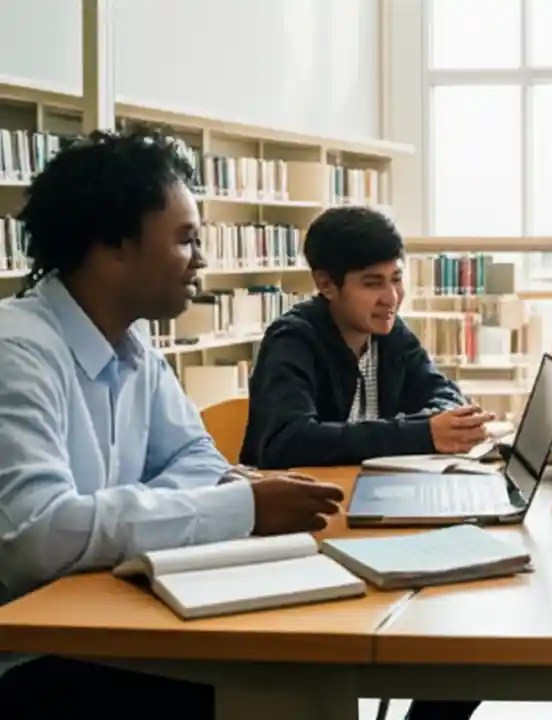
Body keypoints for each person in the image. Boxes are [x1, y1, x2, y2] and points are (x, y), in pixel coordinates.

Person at [0, 128, 344, 718]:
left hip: (104, 617)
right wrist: (239, 509)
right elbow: (37, 538)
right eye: (185, 239)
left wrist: (111, 514)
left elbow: (199, 461)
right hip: (30, 652)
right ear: (113, 245)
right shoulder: (17, 351)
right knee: (277, 687)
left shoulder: (134, 343)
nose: (202, 259)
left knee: (296, 663)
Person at [240, 206, 494, 469]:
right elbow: (288, 442)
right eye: (373, 284)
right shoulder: (292, 341)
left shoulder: (392, 334)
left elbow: (444, 392)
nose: (391, 298)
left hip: (366, 488)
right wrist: (421, 433)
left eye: (396, 279)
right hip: (302, 499)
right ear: (326, 284)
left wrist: (444, 423)